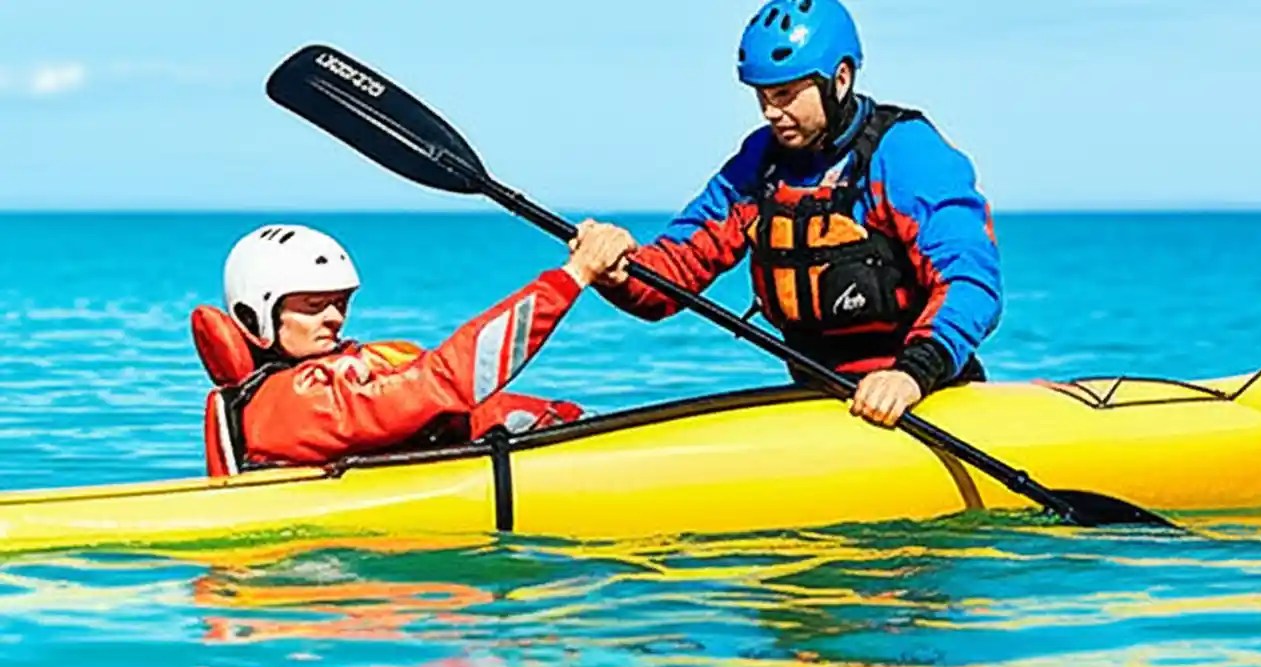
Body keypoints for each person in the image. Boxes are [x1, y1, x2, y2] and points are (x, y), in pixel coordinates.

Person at [574, 0, 1003, 428]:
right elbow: (678, 267)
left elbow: (970, 281)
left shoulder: (907, 154)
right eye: (762, 95)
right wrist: (619, 270)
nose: (770, 112)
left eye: (784, 94)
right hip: (819, 402)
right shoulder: (760, 164)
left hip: (927, 398)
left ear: (839, 79)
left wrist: (912, 374)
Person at [190, 222, 633, 476]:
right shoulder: (301, 398)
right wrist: (574, 276)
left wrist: (579, 425)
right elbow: (451, 379)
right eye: (312, 306)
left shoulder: (325, 377)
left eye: (340, 303)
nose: (334, 318)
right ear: (255, 314)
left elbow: (458, 405)